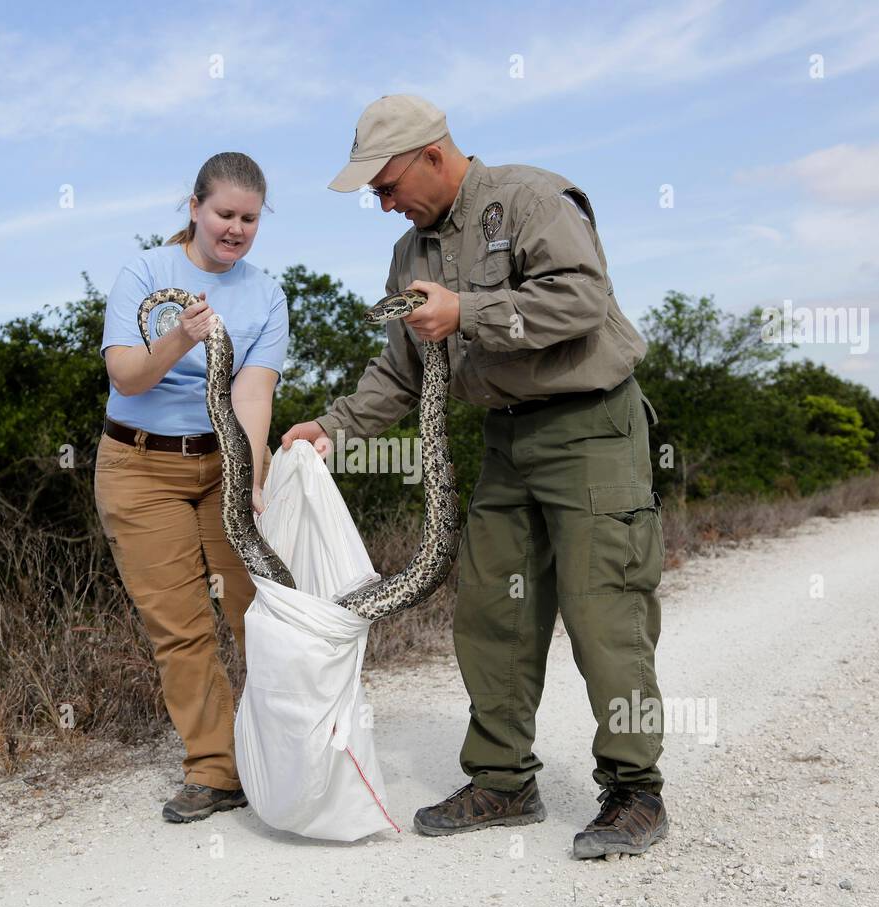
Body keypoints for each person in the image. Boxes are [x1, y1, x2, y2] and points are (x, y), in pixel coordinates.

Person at [282, 95, 669, 859]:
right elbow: (400, 369)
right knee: (493, 611)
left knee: (605, 615)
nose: (381, 201)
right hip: (505, 441)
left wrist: (470, 313)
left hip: (591, 427)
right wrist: (329, 429)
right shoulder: (409, 253)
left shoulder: (529, 199)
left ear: (432, 154)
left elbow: (583, 298)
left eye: (386, 184)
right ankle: (503, 779)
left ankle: (635, 792)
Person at [96, 152, 289, 824]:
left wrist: (253, 472)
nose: (235, 229)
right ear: (195, 209)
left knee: (256, 613)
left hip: (221, 464)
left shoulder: (266, 293)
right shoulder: (145, 274)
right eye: (224, 215)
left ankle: (284, 753)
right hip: (141, 468)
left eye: (249, 219)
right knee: (181, 629)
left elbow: (253, 393)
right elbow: (128, 377)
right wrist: (182, 335)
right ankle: (215, 771)